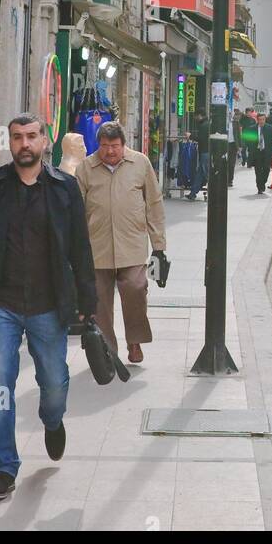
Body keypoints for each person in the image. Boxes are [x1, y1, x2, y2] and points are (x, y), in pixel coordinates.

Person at [0, 113, 96, 503]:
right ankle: (4, 467)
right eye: (17, 137)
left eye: (31, 136)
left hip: (48, 306)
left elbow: (80, 247)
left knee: (53, 384)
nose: (24, 144)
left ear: (44, 141)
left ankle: (52, 420)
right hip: (2, 306)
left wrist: (88, 301)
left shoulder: (64, 188)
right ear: (10, 142)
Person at [76, 122, 167, 365]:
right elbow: (75, 210)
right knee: (100, 300)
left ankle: (135, 340)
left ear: (123, 145)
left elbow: (154, 204)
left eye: (115, 146)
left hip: (132, 243)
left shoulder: (140, 163)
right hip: (97, 246)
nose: (110, 151)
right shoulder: (85, 168)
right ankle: (107, 349)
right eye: (105, 146)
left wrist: (159, 246)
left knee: (136, 289)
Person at [187, 111, 211, 200]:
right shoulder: (206, 124)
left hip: (205, 152)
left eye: (196, 116)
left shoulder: (204, 125)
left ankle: (213, 193)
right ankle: (193, 193)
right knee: (200, 173)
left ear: (200, 115)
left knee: (206, 173)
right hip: (205, 151)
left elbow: (201, 139)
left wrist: (190, 136)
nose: (195, 118)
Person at [254, 112, 272, 196]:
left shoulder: (270, 128)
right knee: (258, 171)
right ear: (257, 120)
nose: (261, 121)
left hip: (266, 152)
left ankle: (263, 182)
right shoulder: (253, 128)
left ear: (265, 120)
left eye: (263, 119)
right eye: (260, 119)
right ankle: (260, 188)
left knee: (266, 169)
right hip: (257, 152)